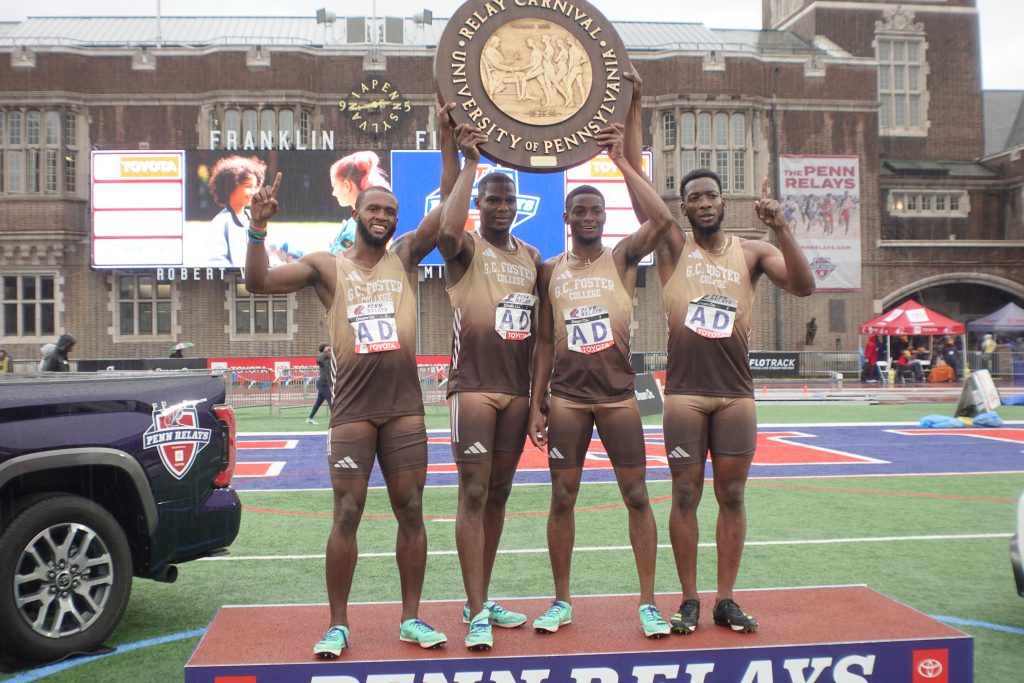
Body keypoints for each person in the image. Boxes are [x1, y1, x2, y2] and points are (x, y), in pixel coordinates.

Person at [244, 100, 459, 659]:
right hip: (352, 412)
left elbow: (448, 209)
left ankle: (411, 618)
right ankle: (338, 623)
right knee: (346, 513)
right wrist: (258, 227)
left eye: (391, 209)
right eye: (375, 208)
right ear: (358, 213)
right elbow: (259, 282)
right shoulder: (325, 265)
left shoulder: (408, 256)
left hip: (406, 410)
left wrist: (451, 142)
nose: (384, 216)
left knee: (411, 511)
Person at [623, 118, 815, 633]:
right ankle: (688, 598)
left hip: (735, 396)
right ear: (683, 207)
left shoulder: (752, 252)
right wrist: (625, 147)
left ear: (723, 202)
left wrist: (781, 227)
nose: (704, 203)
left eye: (711, 195)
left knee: (732, 496)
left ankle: (725, 598)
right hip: (685, 395)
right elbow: (645, 204)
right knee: (685, 495)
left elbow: (803, 286)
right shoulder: (671, 247)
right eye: (695, 198)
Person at [527, 77, 675, 640]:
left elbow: (661, 221)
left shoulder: (622, 258)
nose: (588, 216)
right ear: (567, 219)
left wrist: (620, 164)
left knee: (636, 495)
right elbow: (544, 342)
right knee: (562, 497)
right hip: (566, 399)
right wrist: (539, 403)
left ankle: (646, 601)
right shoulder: (550, 272)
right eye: (579, 210)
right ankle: (562, 600)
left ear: (603, 216)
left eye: (595, 209)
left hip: (618, 398)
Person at [436, 125, 542, 650]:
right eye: (492, 199)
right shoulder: (463, 248)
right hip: (473, 387)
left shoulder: (532, 258)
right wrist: (467, 161)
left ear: (517, 206)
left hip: (516, 391)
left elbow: (542, 335)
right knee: (474, 492)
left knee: (498, 494)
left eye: (508, 200)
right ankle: (476, 609)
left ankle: (479, 596)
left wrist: (540, 398)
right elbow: (444, 233)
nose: (501, 206)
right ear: (478, 203)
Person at [206, 155, 266, 266]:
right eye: (248, 186)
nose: (253, 192)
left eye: (255, 187)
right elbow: (216, 260)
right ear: (230, 187)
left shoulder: (253, 218)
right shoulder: (221, 223)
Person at [328, 151, 392, 253]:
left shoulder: (359, 225)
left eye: (334, 186)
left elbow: (335, 263)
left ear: (347, 186)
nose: (333, 193)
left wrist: (336, 243)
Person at [307, 343, 333, 424]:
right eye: (328, 350)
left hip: (325, 384)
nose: (329, 351)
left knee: (318, 402)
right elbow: (318, 360)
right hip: (323, 383)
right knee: (331, 401)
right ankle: (335, 419)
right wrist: (324, 352)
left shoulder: (329, 359)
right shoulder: (322, 359)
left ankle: (310, 418)